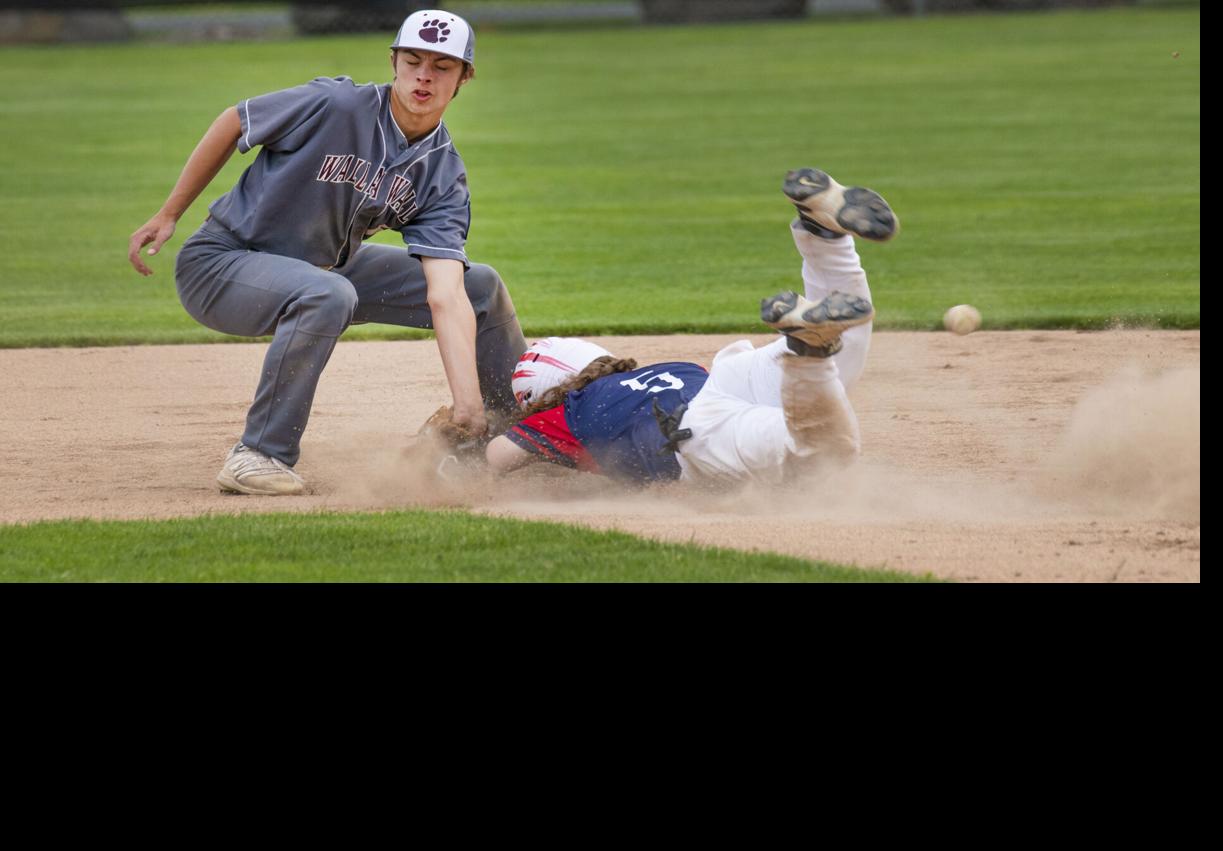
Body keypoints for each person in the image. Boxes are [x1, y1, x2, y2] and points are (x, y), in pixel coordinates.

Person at [127, 8, 525, 496]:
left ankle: (515, 441)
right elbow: (236, 121)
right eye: (413, 60)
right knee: (329, 293)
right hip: (221, 263)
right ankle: (259, 454)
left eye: (441, 67)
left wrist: (467, 408)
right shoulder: (335, 103)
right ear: (393, 61)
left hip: (321, 271)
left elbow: (446, 294)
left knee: (479, 285)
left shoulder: (440, 175)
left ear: (465, 76)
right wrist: (170, 212)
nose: (424, 75)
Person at [486, 168, 897, 489]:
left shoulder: (570, 412)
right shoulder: (655, 371)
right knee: (846, 352)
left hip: (700, 430)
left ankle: (809, 352)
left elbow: (496, 457)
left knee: (822, 455)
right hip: (723, 378)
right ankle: (826, 238)